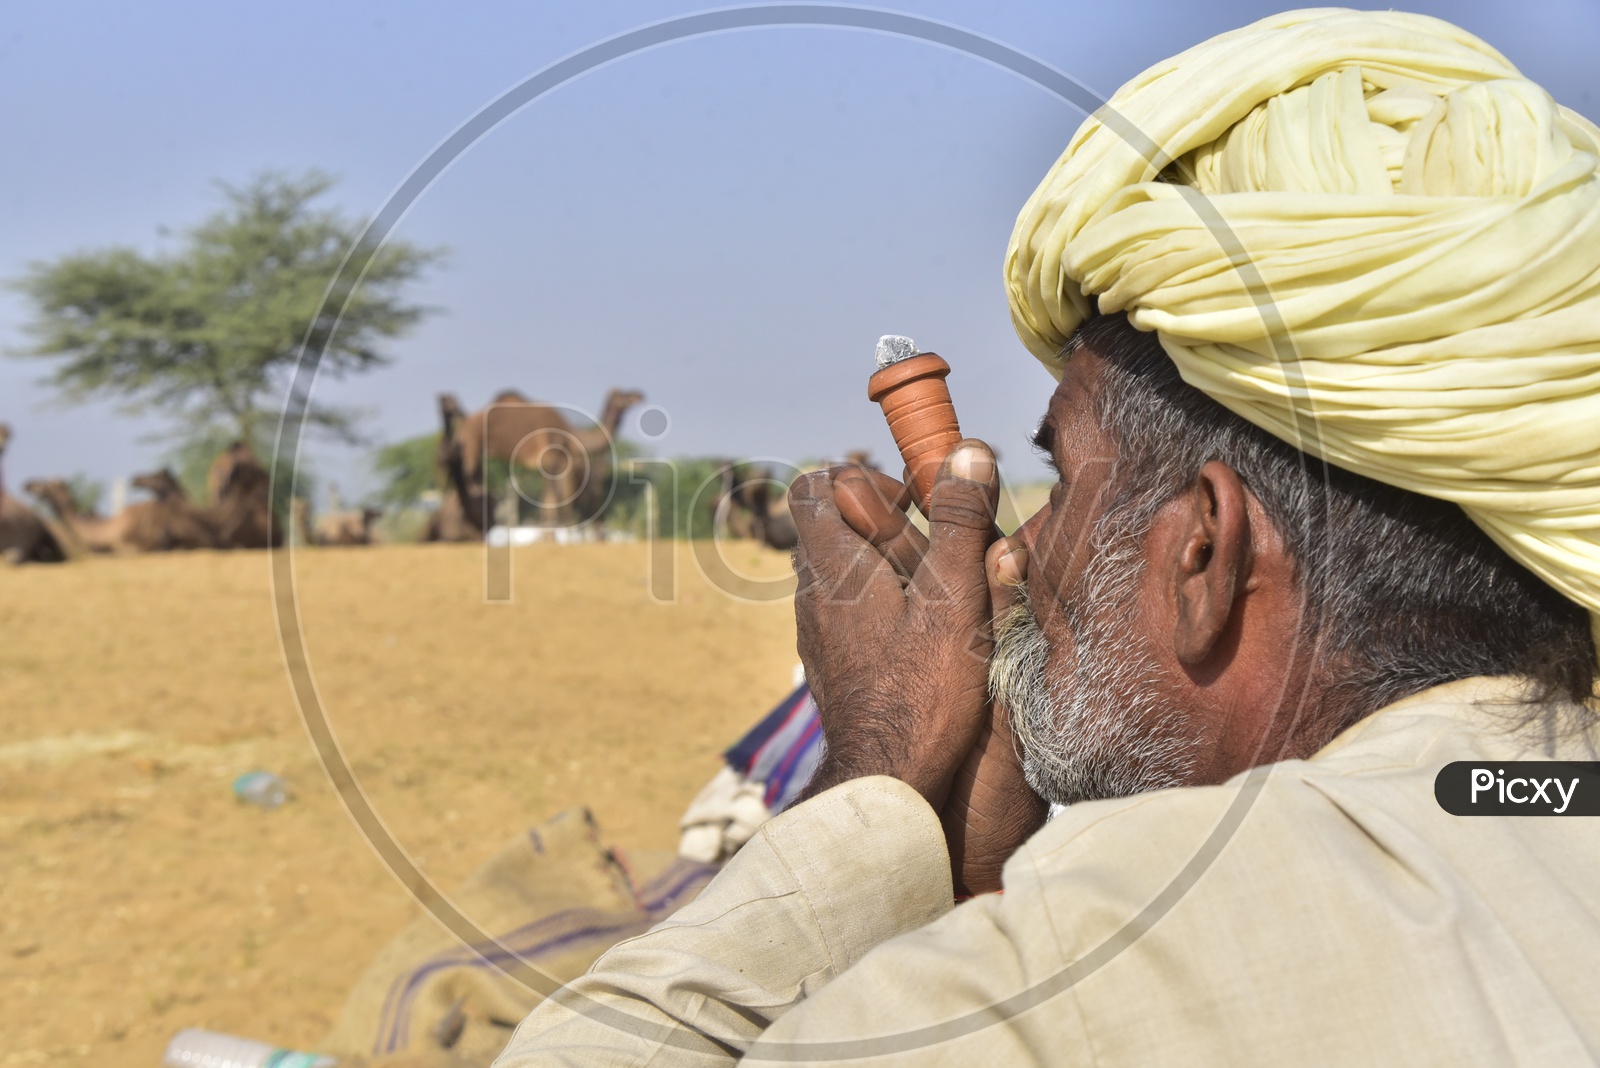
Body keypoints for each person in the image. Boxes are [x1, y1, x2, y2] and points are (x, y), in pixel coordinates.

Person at [496, 9, 1600, 1064]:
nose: (1018, 553)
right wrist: (977, 892)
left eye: (1062, 481)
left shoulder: (1084, 973)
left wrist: (871, 789)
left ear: (1202, 557)